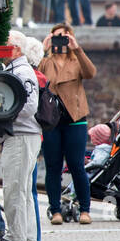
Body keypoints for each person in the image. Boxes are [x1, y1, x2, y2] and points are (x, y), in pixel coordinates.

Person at [38, 23, 96, 224]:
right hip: (51, 120)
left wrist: (77, 48)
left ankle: (85, 209)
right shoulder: (46, 61)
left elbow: (90, 73)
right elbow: (34, 76)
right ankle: (55, 210)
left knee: (76, 165)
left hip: (75, 118)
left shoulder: (76, 59)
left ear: (70, 37)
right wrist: (42, 50)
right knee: (53, 166)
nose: (59, 41)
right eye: (56, 37)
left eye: (63, 36)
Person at [0, 31, 43, 241]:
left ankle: (15, 235)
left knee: (14, 187)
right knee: (23, 189)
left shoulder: (21, 72)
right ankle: (28, 235)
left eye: (5, 45)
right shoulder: (21, 70)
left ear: (15, 48)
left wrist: (4, 113)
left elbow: (30, 106)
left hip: (21, 134)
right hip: (25, 135)